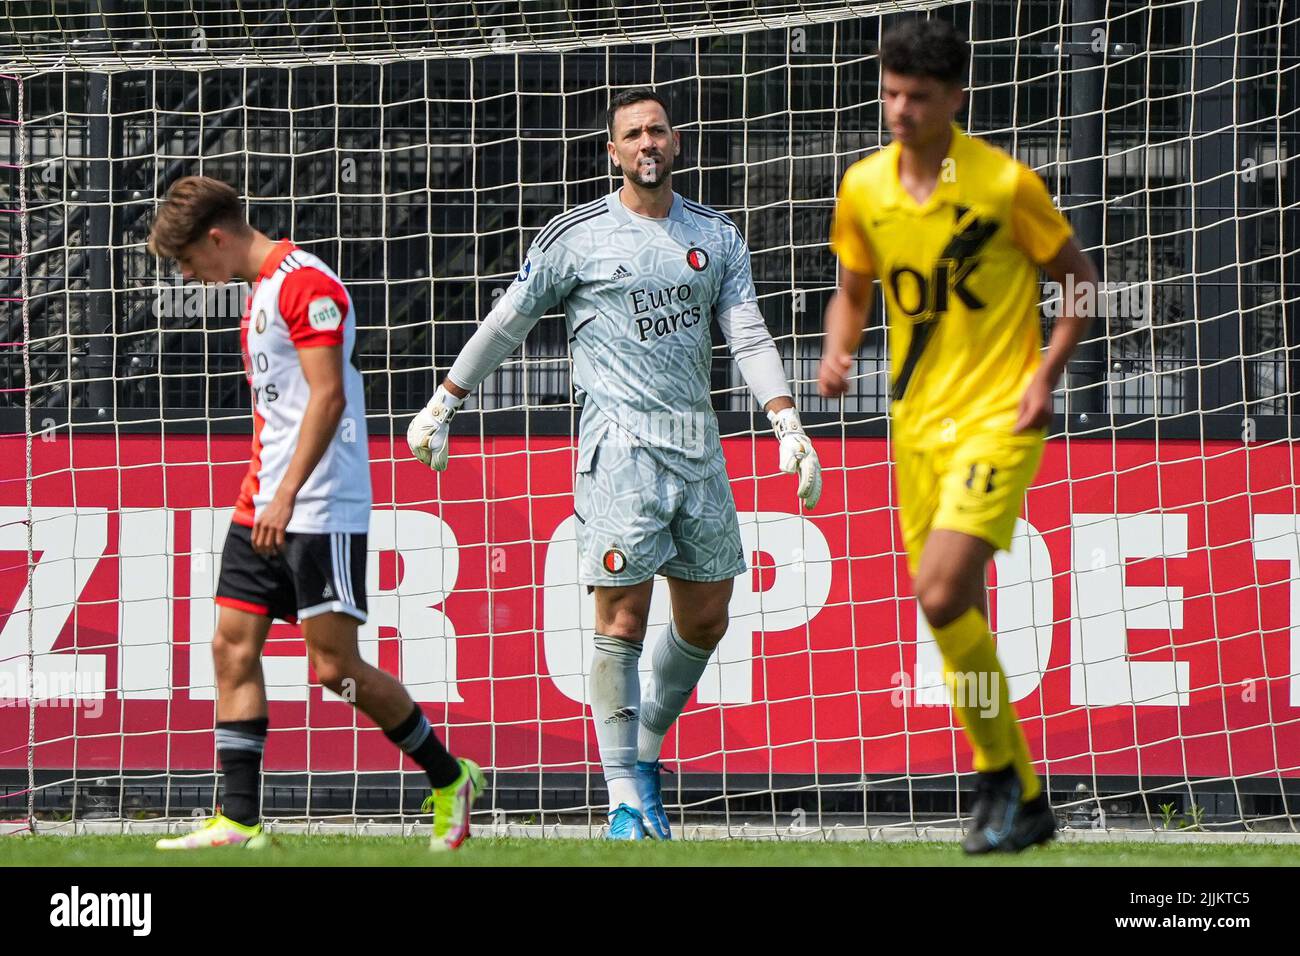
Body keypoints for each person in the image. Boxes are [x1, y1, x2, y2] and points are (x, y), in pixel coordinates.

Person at [408, 88, 822, 840]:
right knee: (622, 618)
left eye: (658, 130)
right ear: (614, 152)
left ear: (676, 141)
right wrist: (445, 401)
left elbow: (750, 336)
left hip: (698, 447)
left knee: (707, 616)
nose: (647, 144)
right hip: (619, 450)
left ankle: (648, 751)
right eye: (632, 134)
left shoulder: (716, 236)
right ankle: (625, 799)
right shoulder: (578, 237)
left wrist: (785, 421)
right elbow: (509, 322)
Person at [819, 19, 1097, 853]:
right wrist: (838, 348)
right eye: (891, 93)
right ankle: (1015, 787)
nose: (900, 110)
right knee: (953, 615)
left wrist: (1045, 376)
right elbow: (854, 291)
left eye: (919, 98)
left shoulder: (1005, 185)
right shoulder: (864, 186)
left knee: (937, 593)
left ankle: (1009, 782)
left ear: (956, 98)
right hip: (917, 428)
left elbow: (1079, 283)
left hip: (998, 418)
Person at [148, 176, 483, 852]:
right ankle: (238, 820)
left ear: (215, 237)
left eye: (187, 260)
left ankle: (451, 777)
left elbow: (327, 400)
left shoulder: (308, 285)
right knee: (229, 645)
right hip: (263, 502)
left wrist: (285, 494)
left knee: (337, 672)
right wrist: (262, 491)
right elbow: (282, 413)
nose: (189, 274)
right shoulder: (260, 296)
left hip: (320, 508)